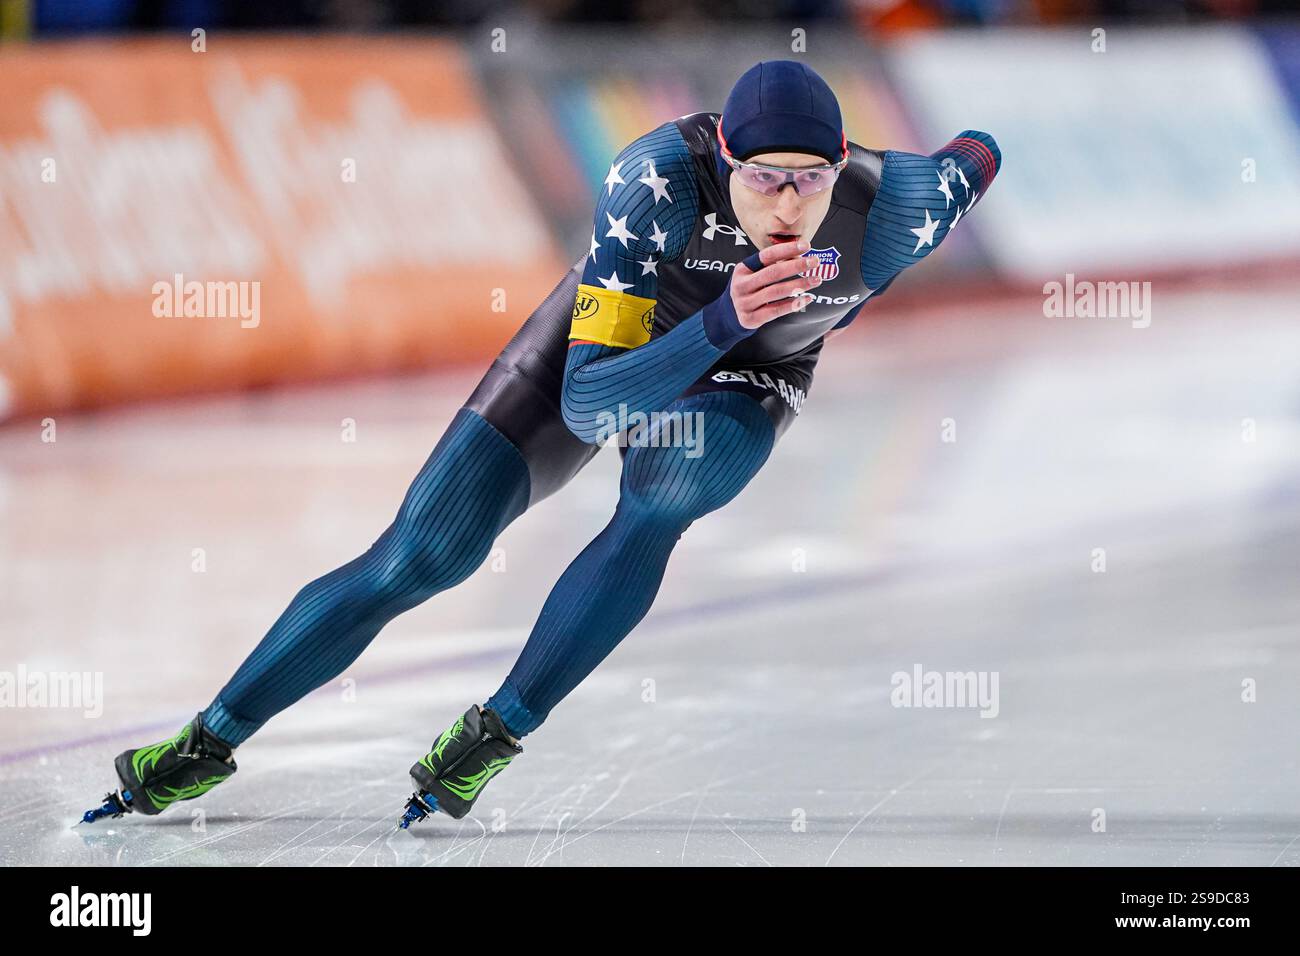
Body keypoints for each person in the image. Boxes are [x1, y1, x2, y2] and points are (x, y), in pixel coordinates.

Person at [82, 60, 1000, 827]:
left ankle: (492, 733)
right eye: (763, 178)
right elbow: (594, 405)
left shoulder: (903, 207)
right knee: (421, 555)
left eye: (810, 177)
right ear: (723, 159)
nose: (790, 204)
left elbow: (978, 156)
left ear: (844, 163)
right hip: (612, 351)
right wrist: (720, 318)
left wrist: (737, 337)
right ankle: (209, 741)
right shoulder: (655, 185)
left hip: (749, 377)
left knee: (666, 496)